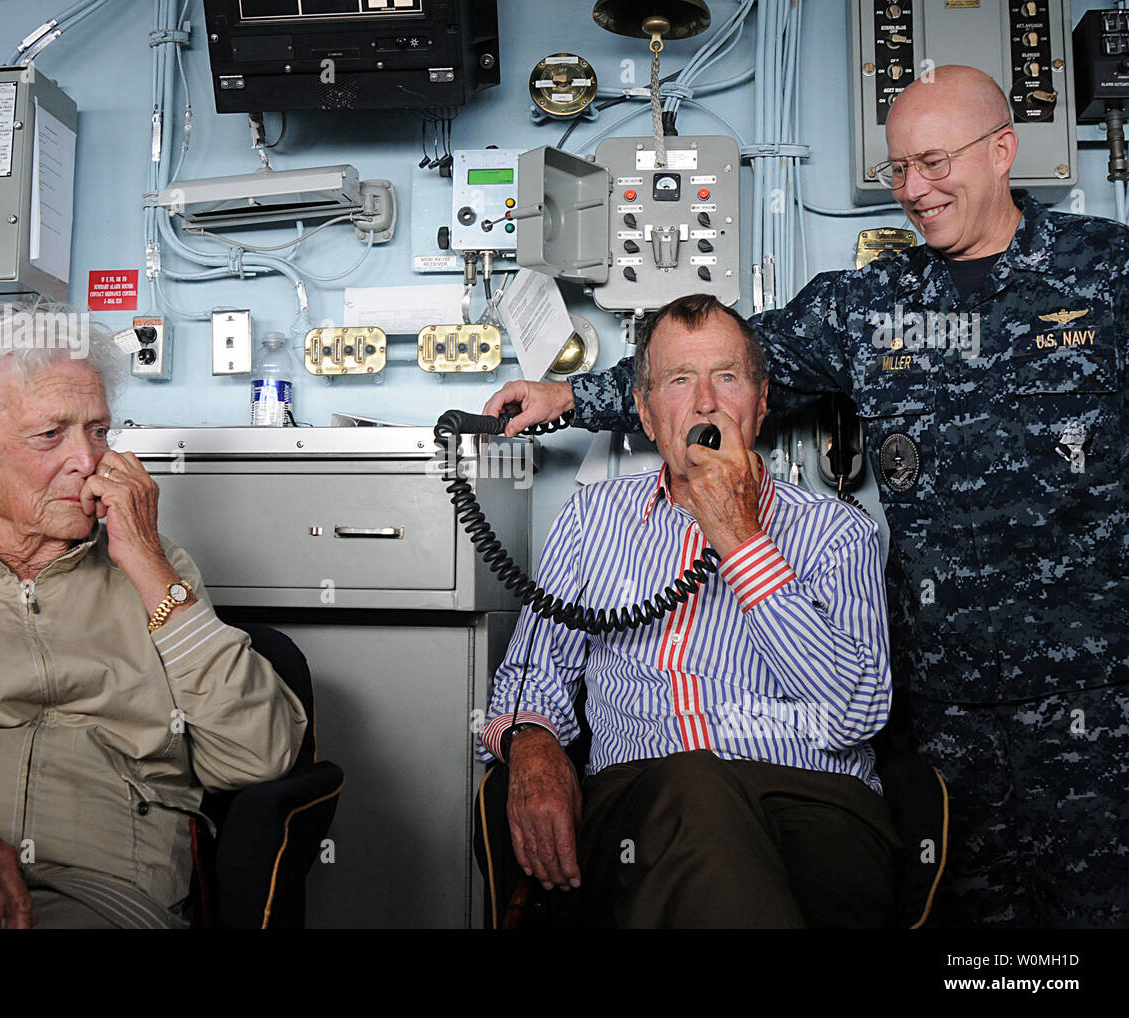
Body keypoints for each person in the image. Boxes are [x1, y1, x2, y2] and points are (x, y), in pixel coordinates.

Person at [483, 65, 1128, 928]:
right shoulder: (871, 305)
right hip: (947, 693)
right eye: (899, 168)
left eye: (934, 163)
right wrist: (571, 396)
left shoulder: (1105, 272)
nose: (914, 190)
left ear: (1003, 150)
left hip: (1096, 684)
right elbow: (723, 373)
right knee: (973, 929)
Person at [0, 301, 307, 929]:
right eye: (50, 434)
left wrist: (148, 564)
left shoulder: (158, 571)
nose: (89, 461)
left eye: (99, 430)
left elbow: (257, 754)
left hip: (101, 889)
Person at [480, 295, 899, 928]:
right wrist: (531, 742)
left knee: (702, 796)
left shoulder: (838, 531)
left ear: (761, 402)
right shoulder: (593, 518)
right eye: (679, 380)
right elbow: (532, 677)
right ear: (647, 414)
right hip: (637, 804)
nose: (705, 402)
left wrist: (739, 538)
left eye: (727, 377)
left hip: (810, 806)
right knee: (694, 785)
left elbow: (855, 715)